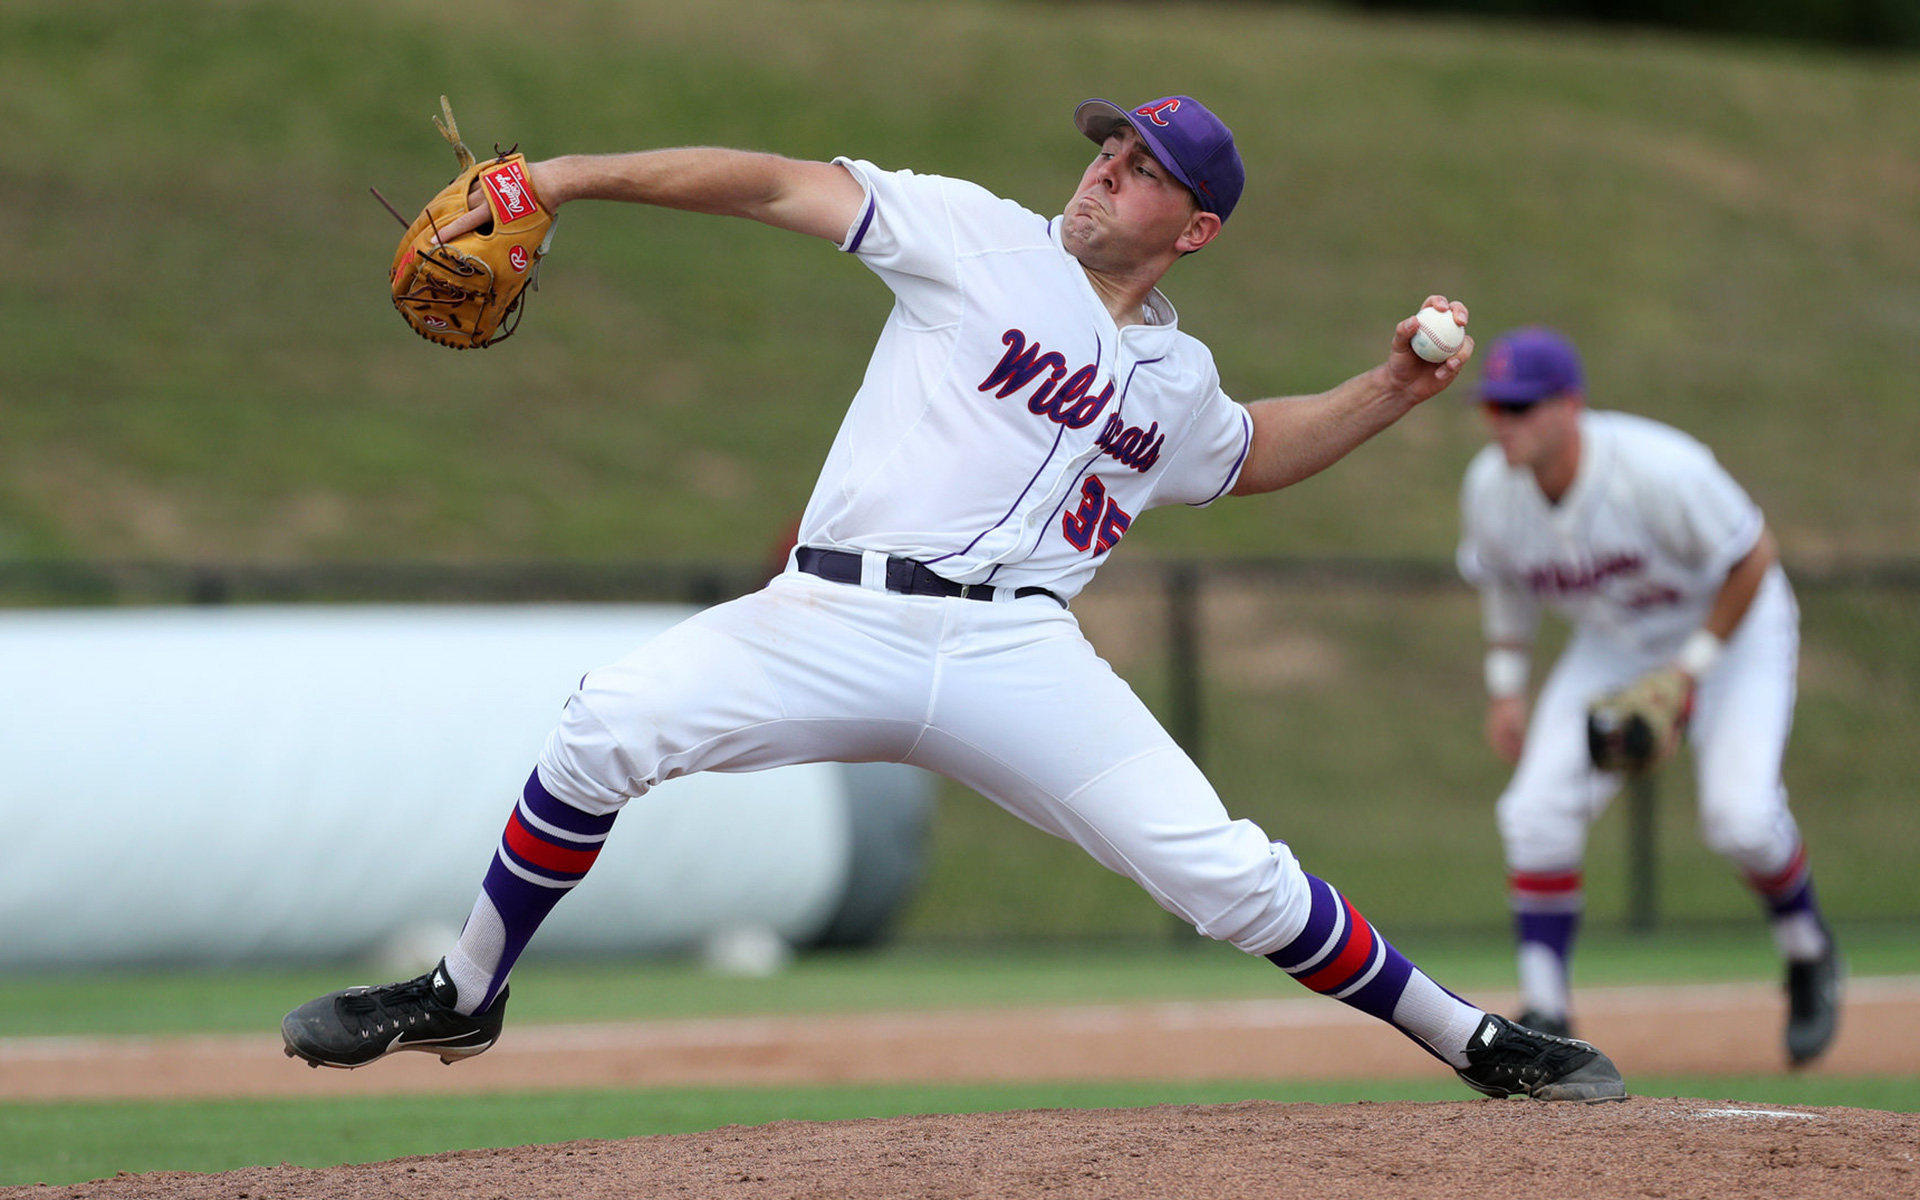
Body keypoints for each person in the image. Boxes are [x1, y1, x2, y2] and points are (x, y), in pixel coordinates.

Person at [283, 96, 1625, 1101]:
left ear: (1196, 228)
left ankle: (1475, 1040)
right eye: (1111, 145)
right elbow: (766, 188)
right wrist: (566, 176)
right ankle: (466, 991)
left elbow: (1252, 452)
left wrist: (1392, 387)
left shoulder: (1175, 380)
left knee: (1225, 873)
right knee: (600, 730)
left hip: (1013, 651)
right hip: (827, 617)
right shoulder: (971, 234)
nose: (1109, 165)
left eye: (1147, 167)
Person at [1457, 326, 1841, 1065]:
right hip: (1617, 644)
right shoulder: (1490, 489)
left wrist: (1689, 672)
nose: (1504, 421)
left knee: (1741, 818)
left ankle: (1808, 951)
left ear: (1571, 406)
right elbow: (1502, 580)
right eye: (1496, 407)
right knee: (1534, 813)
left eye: (1523, 406)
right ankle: (1545, 1009)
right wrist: (1506, 689)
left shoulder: (1659, 469)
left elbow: (1754, 555)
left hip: (1734, 633)